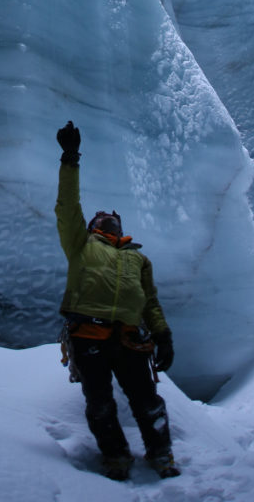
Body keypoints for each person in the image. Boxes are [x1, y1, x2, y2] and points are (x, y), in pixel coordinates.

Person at [55, 120, 180, 481]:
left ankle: (162, 454)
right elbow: (67, 207)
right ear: (95, 225)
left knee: (148, 402)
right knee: (100, 405)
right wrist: (70, 158)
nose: (108, 220)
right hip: (88, 336)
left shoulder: (137, 258)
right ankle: (116, 458)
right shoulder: (80, 243)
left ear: (121, 226)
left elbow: (150, 302)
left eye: (113, 218)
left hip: (129, 338)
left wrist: (163, 334)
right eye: (102, 217)